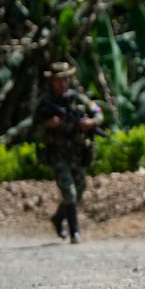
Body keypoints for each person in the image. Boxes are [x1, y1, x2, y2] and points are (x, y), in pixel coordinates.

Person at [35, 61, 103, 244]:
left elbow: (98, 111)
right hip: (57, 153)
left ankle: (58, 217)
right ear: (52, 82)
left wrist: (92, 123)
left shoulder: (77, 98)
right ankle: (75, 231)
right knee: (69, 191)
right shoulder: (45, 104)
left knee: (80, 190)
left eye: (65, 80)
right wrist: (48, 125)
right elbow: (33, 130)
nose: (62, 84)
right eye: (58, 80)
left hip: (77, 152)